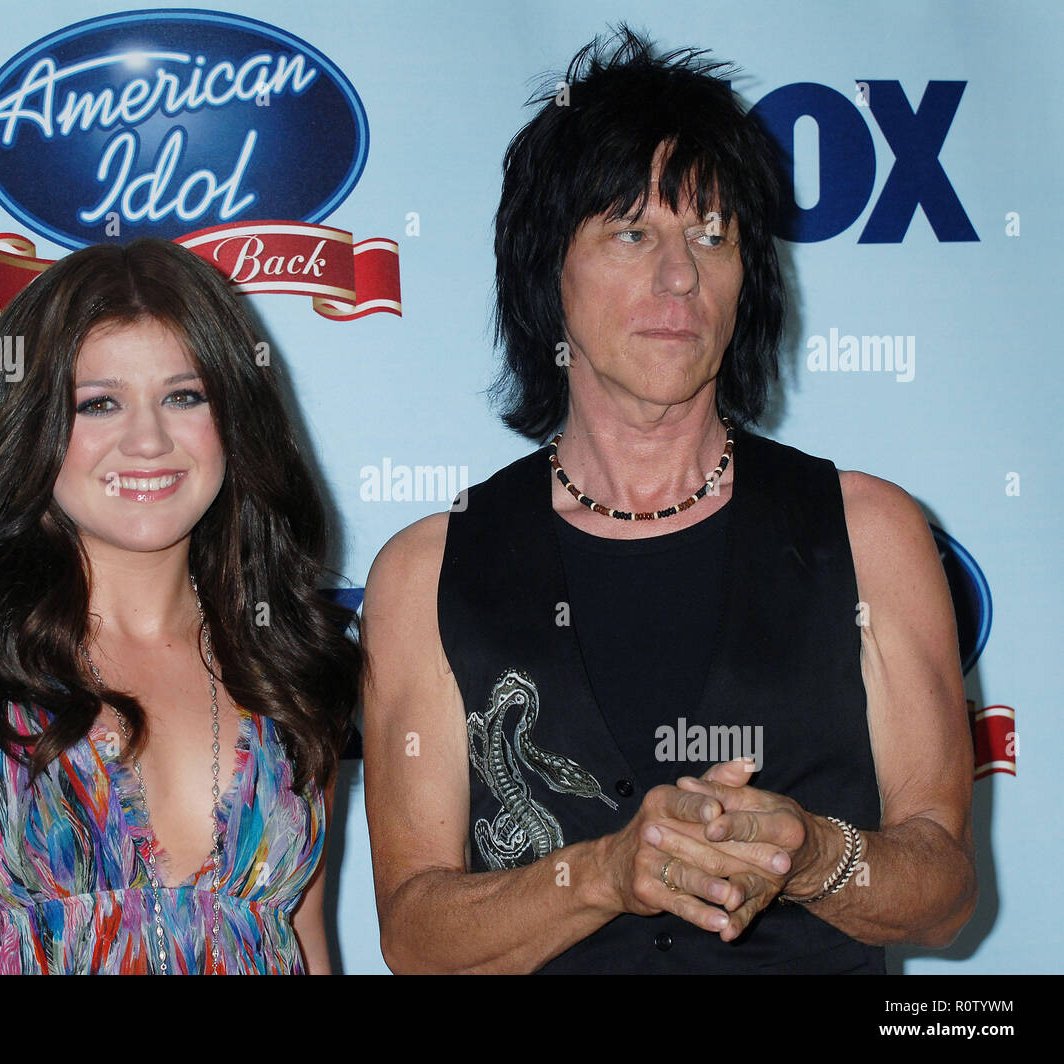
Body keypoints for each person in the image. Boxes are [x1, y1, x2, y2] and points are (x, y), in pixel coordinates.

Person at [360, 30, 976, 973]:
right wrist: (604, 875)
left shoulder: (869, 532)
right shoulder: (425, 572)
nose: (679, 276)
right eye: (631, 232)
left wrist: (812, 857)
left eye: (712, 235)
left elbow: (942, 894)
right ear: (547, 273)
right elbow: (412, 932)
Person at [0, 238, 360, 974]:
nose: (148, 440)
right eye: (99, 404)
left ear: (235, 418)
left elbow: (306, 950)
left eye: (185, 395)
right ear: (33, 427)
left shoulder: (286, 671)